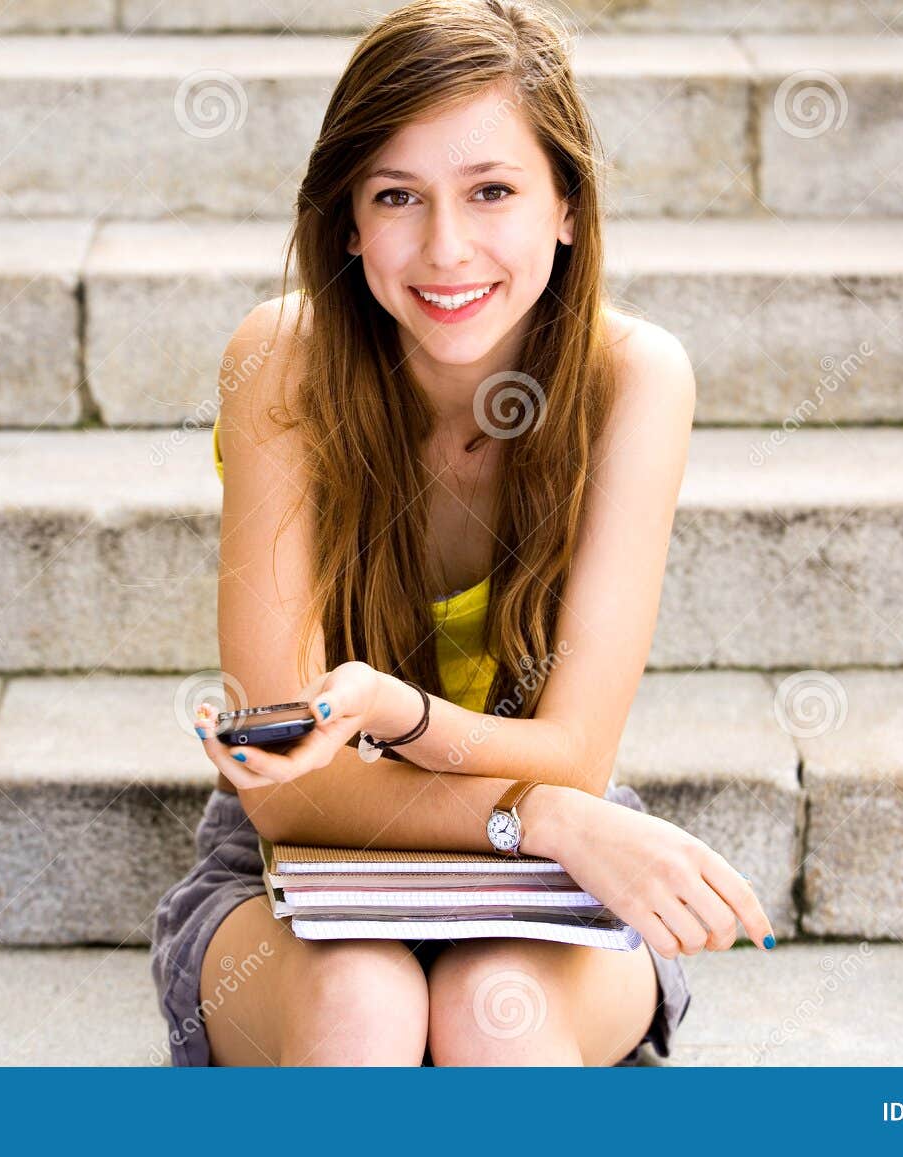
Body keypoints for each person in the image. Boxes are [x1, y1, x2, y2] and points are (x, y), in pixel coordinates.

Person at [150, 0, 775, 1067]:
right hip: (300, 859)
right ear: (347, 218)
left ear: (567, 205)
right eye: (398, 196)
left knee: (501, 1008)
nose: (446, 248)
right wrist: (538, 808)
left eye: (492, 190)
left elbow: (574, 754)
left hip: (560, 850)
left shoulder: (633, 378)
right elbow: (292, 781)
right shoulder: (282, 361)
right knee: (362, 1006)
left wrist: (401, 717)